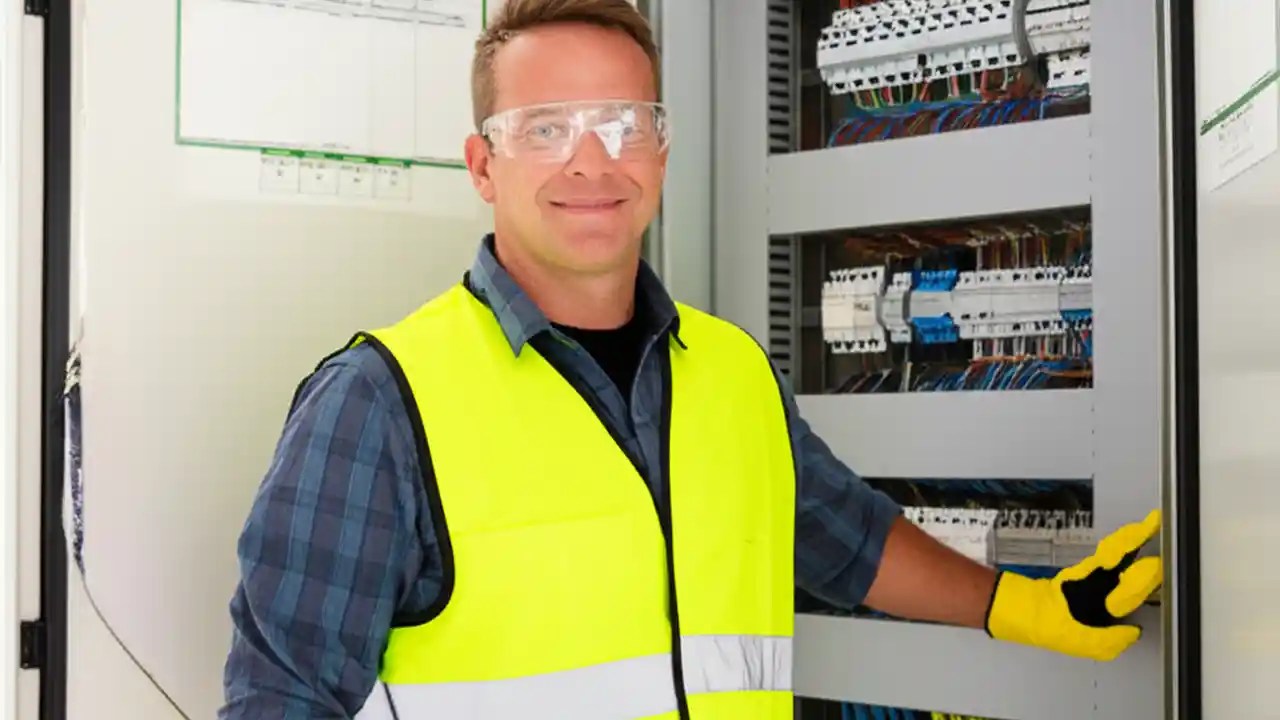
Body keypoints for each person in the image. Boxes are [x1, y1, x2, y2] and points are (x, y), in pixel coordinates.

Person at [219, 1, 1163, 718]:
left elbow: (847, 541)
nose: (593, 162)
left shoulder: (731, 372)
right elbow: (281, 700)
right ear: (482, 165)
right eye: (546, 128)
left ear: (662, 152)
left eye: (624, 124)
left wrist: (1024, 606)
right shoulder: (380, 404)